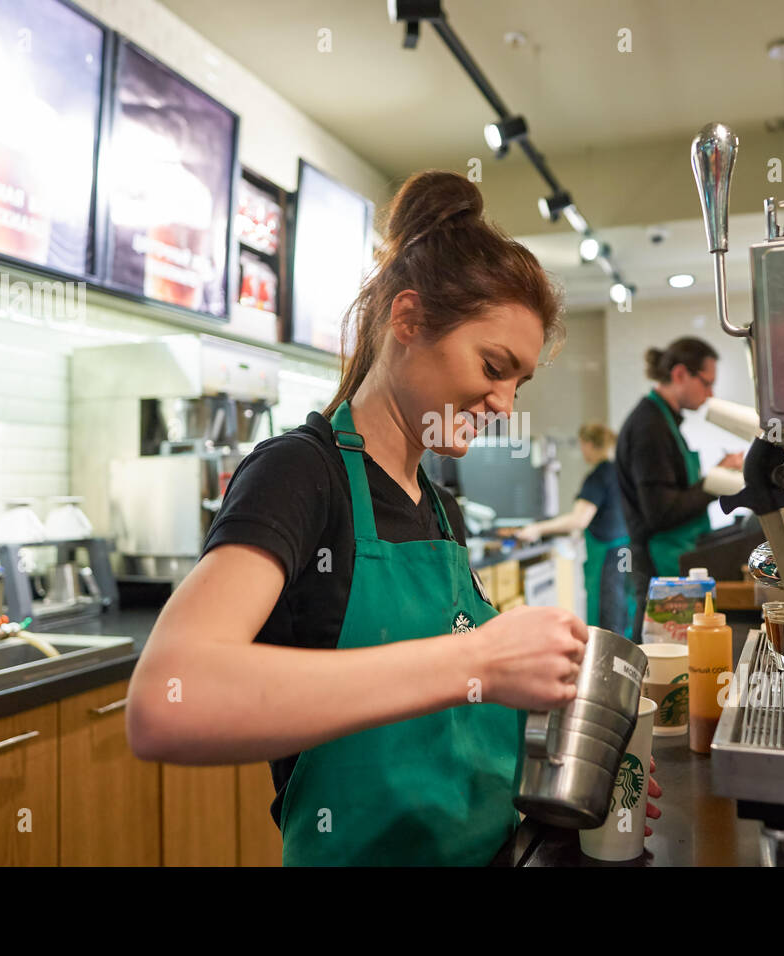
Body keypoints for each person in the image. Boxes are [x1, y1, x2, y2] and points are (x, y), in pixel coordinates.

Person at [125, 170, 660, 866]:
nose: (505, 403)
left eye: (518, 383)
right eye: (493, 366)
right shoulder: (300, 474)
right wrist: (480, 659)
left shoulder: (440, 507)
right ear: (408, 321)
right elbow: (168, 702)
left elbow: (450, 718)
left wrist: (564, 756)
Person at [615, 337, 743, 643]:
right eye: (707, 383)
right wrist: (717, 481)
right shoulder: (650, 426)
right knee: (657, 660)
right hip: (660, 565)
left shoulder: (665, 422)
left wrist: (716, 477)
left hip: (673, 560)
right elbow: (661, 511)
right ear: (680, 374)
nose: (711, 394)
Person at [502, 423, 637, 638]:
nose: (582, 451)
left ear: (590, 445)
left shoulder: (599, 476)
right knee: (622, 609)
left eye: (582, 445)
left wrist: (537, 528)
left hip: (608, 558)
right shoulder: (618, 472)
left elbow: (579, 519)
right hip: (625, 553)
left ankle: (605, 668)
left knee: (608, 620)